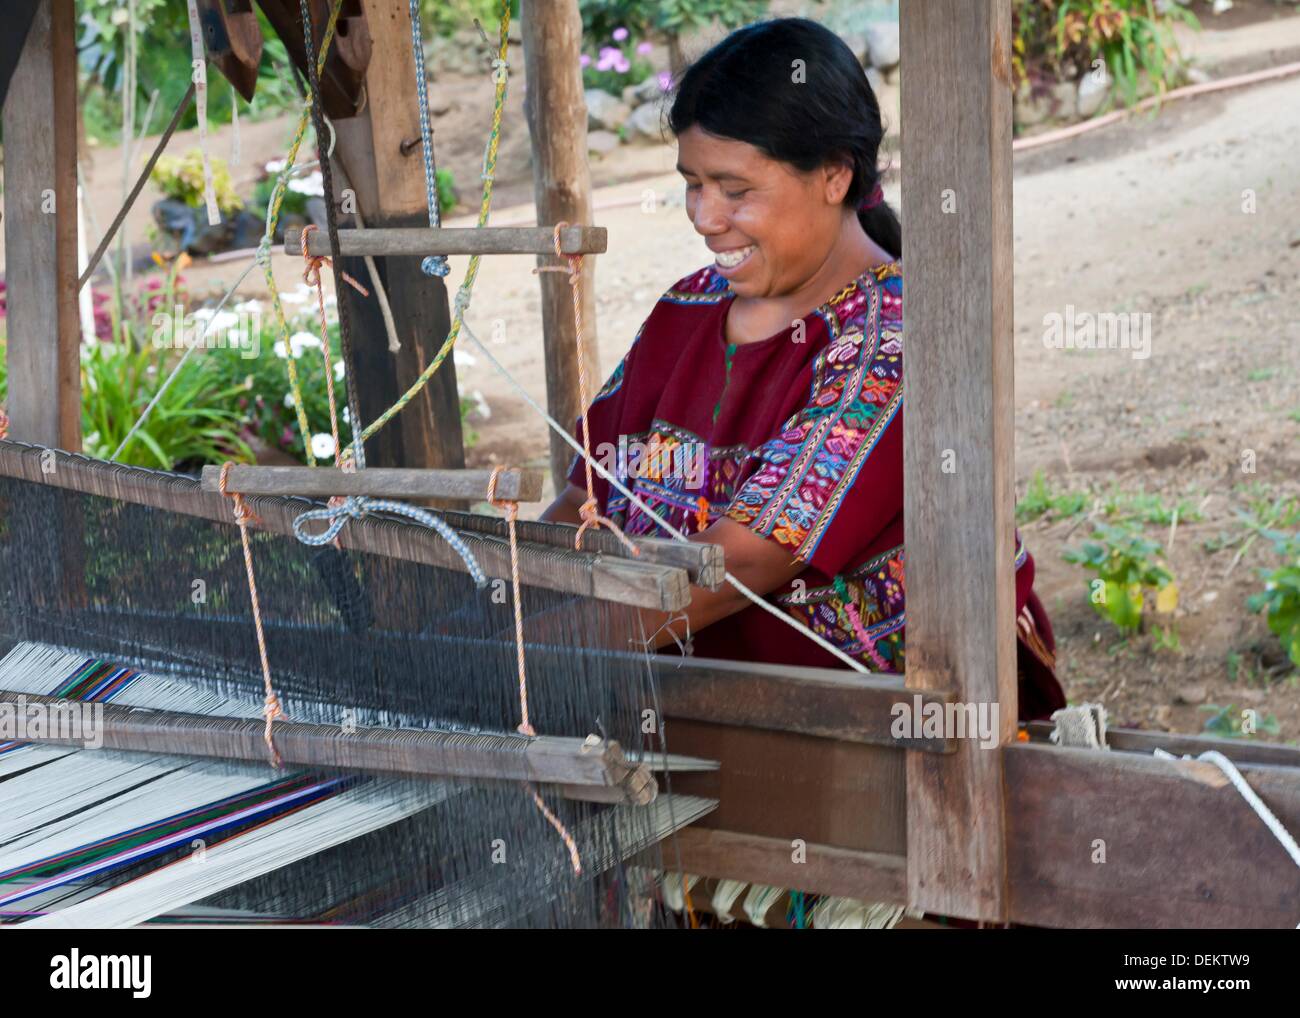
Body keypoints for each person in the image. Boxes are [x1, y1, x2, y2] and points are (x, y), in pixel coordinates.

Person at [541, 17, 1064, 722]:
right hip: (685, 714)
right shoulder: (687, 310)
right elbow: (586, 501)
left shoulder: (901, 337)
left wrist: (521, 665)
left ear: (834, 174)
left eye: (734, 188)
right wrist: (495, 605)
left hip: (880, 740)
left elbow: (742, 565)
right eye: (692, 184)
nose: (704, 215)